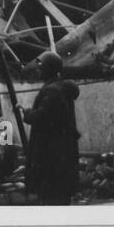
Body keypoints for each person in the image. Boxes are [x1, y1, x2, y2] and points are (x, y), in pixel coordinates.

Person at [24, 52, 80, 205]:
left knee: (51, 197)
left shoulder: (52, 91)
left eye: (41, 67)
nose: (38, 70)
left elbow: (43, 118)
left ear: (49, 69)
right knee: (59, 196)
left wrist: (27, 113)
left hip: (51, 155)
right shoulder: (59, 88)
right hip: (60, 154)